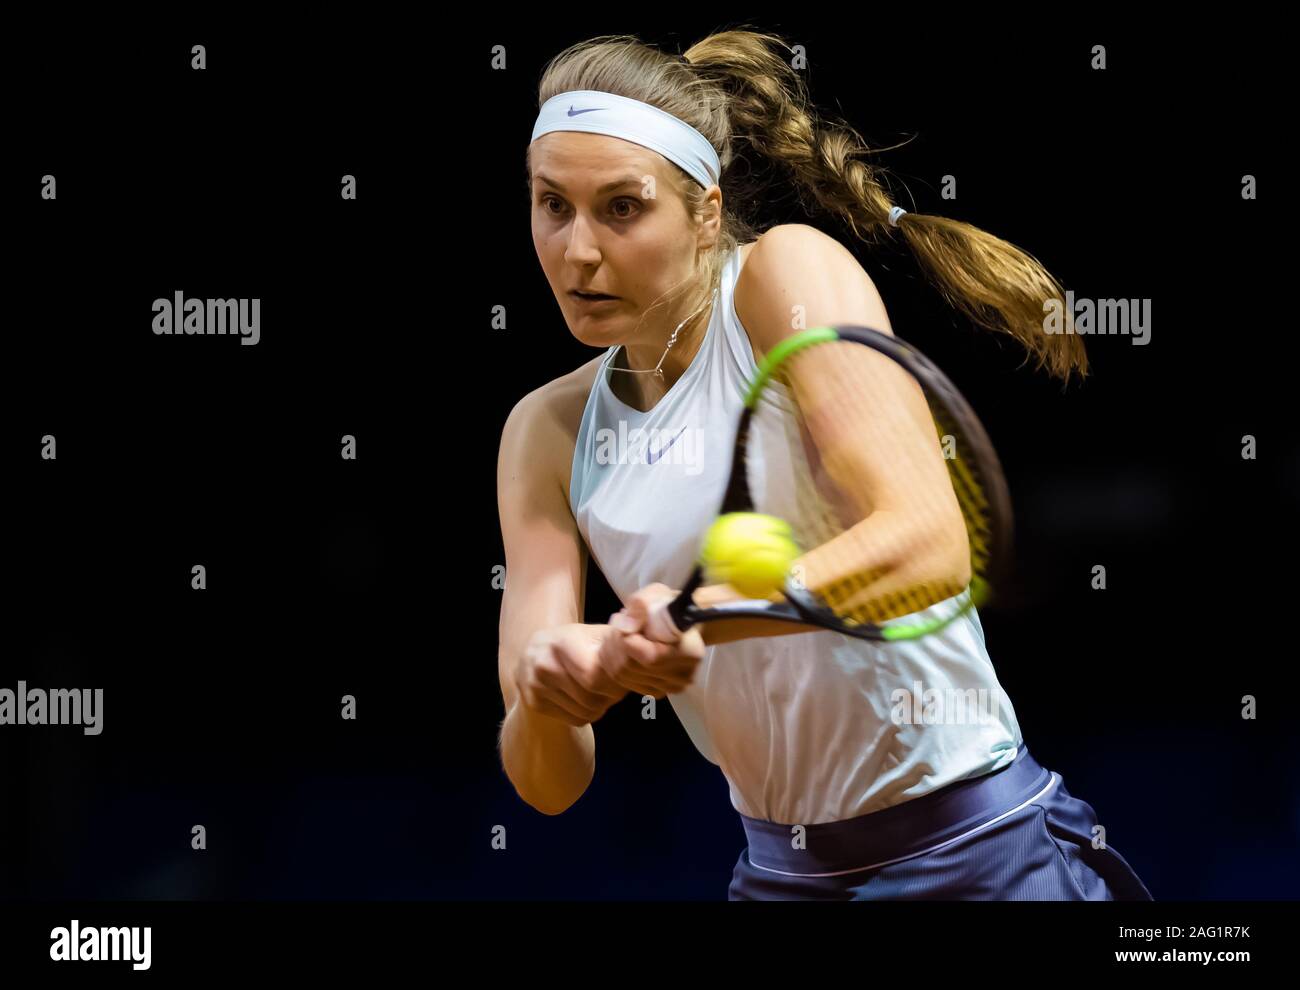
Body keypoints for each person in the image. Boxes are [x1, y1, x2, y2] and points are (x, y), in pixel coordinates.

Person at [496, 29, 1152, 901]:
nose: (578, 252)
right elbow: (547, 782)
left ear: (703, 212)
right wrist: (552, 694)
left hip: (977, 852)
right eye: (552, 205)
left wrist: (711, 613)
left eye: (622, 208)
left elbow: (927, 545)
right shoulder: (544, 431)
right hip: (782, 877)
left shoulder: (782, 278)